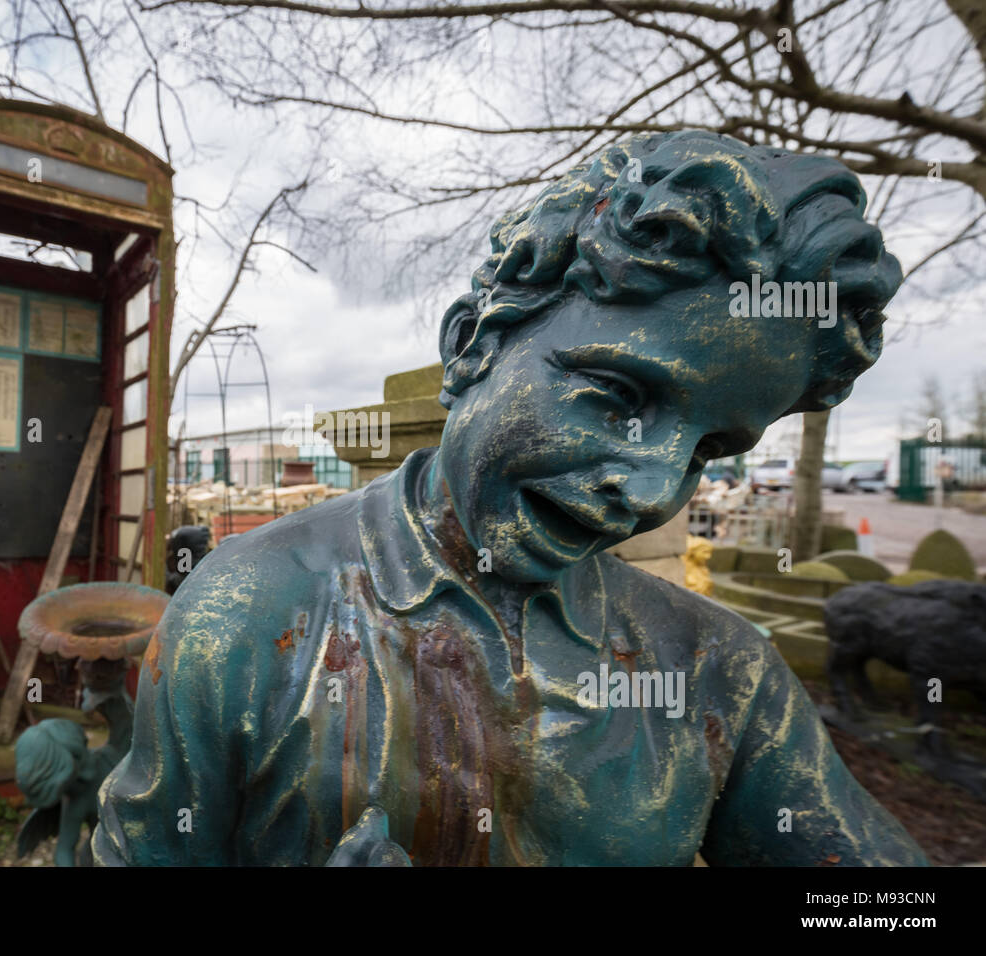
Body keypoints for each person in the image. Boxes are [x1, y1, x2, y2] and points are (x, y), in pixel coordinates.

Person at [94, 131, 926, 866]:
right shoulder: (241, 614)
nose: (649, 489)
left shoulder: (721, 675)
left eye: (710, 448)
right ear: (472, 345)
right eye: (614, 393)